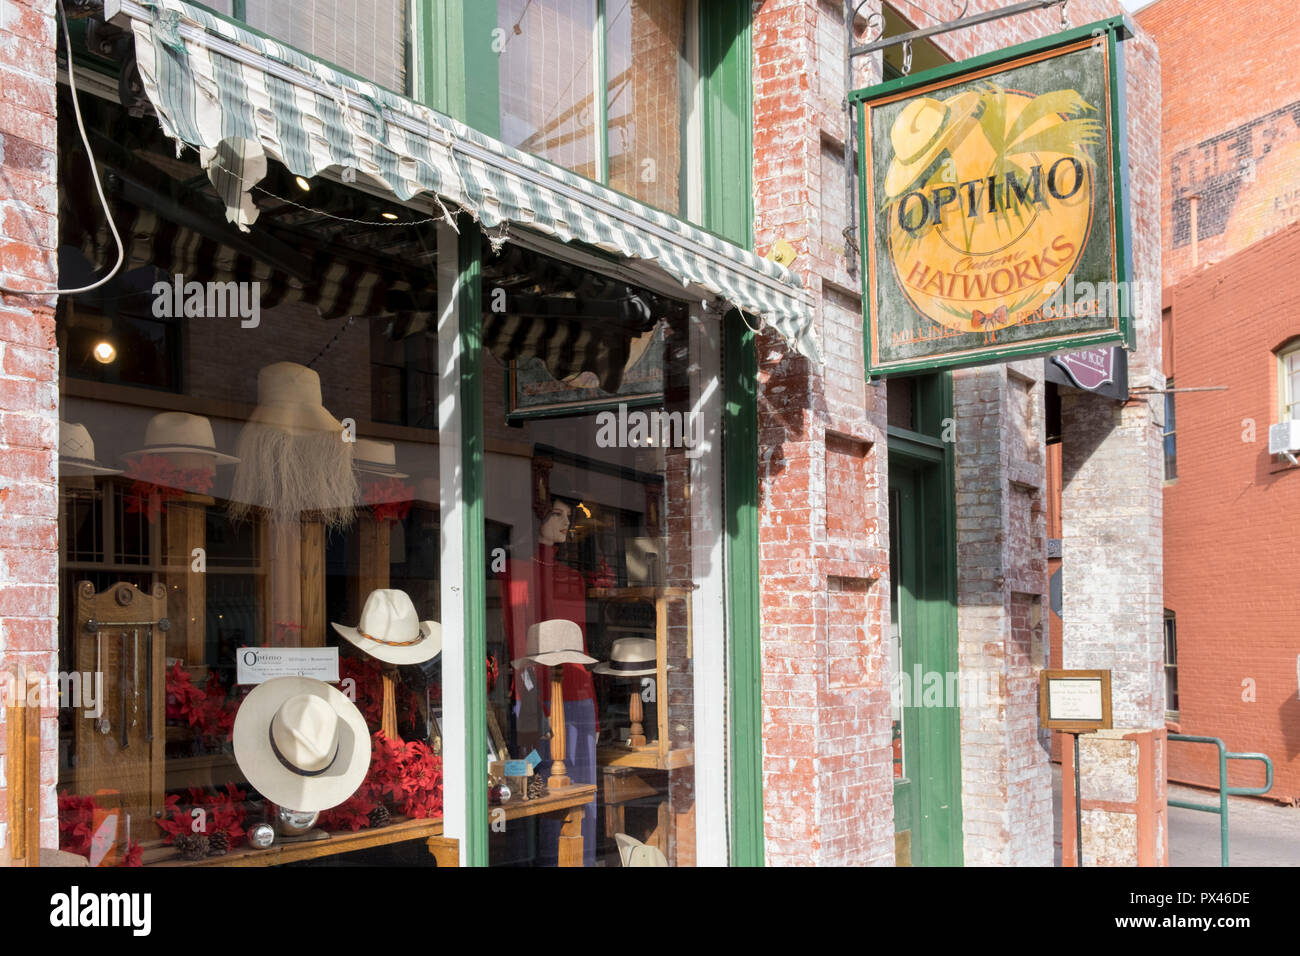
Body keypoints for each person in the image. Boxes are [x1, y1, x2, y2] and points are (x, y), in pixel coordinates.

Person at [502, 494, 597, 866]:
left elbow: (582, 642)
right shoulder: (514, 571)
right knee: (538, 787)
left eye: (568, 516)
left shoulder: (572, 577)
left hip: (577, 693)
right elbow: (514, 636)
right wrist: (527, 700)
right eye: (556, 514)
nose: (565, 523)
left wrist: (595, 713)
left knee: (581, 790)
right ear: (536, 517)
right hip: (534, 692)